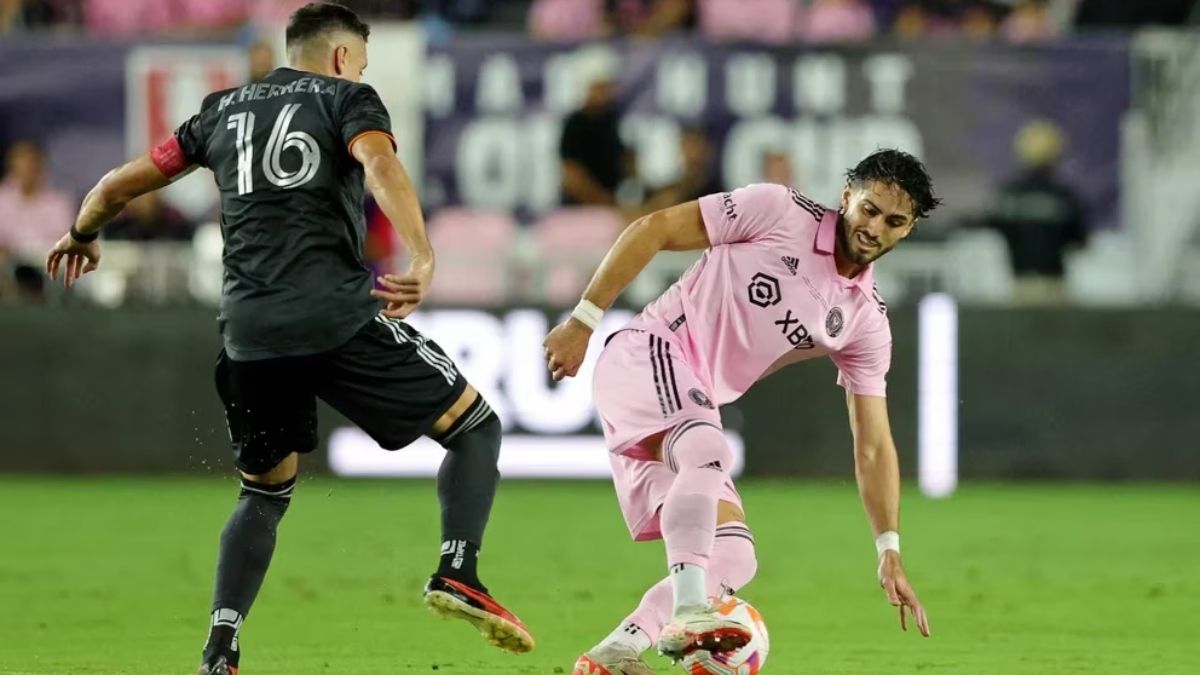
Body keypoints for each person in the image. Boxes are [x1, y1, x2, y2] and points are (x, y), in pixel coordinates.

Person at [43, 4, 534, 674]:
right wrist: (421, 257)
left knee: (264, 493)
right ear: (340, 58)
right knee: (475, 426)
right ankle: (459, 570)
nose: (361, 71)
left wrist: (83, 232)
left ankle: (220, 646)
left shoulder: (220, 111)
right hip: (332, 315)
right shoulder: (348, 99)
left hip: (249, 331)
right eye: (359, 60)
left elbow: (120, 183)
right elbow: (381, 166)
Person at [545, 149, 937, 674]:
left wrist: (888, 546)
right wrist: (583, 320)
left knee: (733, 554)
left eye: (893, 222)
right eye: (869, 210)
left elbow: (872, 443)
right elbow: (655, 227)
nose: (874, 228)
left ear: (907, 230)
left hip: (689, 399)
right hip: (649, 350)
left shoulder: (865, 321)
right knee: (709, 448)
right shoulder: (778, 211)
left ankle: (616, 651)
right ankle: (689, 612)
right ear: (846, 197)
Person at [986, 118, 1086, 304]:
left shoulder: (1009, 196)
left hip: (1021, 286)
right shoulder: (1063, 197)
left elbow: (993, 228)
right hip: (1056, 285)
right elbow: (1080, 241)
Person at [0, 139, 76, 300]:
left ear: (40, 166)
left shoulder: (59, 201)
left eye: (31, 163)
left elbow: (65, 239)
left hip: (47, 267)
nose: (27, 169)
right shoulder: (2, 199)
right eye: (21, 164)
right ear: (12, 166)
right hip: (8, 268)